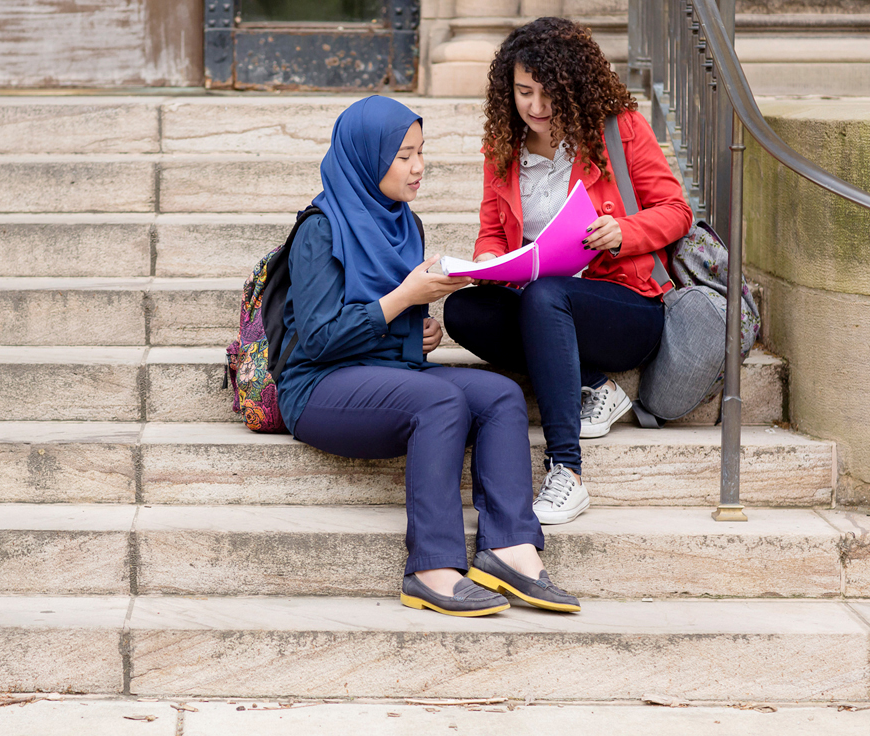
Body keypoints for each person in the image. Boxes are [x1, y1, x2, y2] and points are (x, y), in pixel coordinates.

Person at [275, 95, 579, 617]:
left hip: (388, 373)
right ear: (366, 159)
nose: (419, 167)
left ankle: (509, 548)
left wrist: (418, 329)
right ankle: (431, 568)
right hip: (318, 388)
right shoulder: (320, 229)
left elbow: (385, 326)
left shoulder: (403, 224)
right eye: (403, 156)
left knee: (501, 396)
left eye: (421, 151)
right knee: (439, 400)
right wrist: (404, 301)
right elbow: (319, 340)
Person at [442, 17, 693, 525]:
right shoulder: (504, 150)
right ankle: (594, 384)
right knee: (462, 310)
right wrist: (490, 260)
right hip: (544, 300)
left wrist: (625, 231)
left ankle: (567, 471)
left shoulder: (618, 129)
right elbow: (493, 230)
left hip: (625, 305)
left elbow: (675, 209)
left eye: (548, 93)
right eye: (523, 92)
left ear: (574, 85)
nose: (535, 107)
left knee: (544, 297)